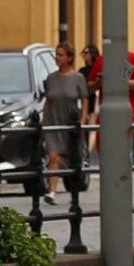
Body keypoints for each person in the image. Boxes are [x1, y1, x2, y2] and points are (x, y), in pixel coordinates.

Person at [40, 49, 90, 197]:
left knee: (70, 157)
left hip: (69, 121)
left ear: (69, 58)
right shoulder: (51, 78)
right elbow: (48, 101)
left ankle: (74, 184)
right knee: (53, 156)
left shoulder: (77, 78)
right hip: (53, 121)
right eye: (57, 54)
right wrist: (43, 123)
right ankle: (52, 192)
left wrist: (82, 120)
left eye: (61, 55)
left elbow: (85, 99)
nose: (57, 57)